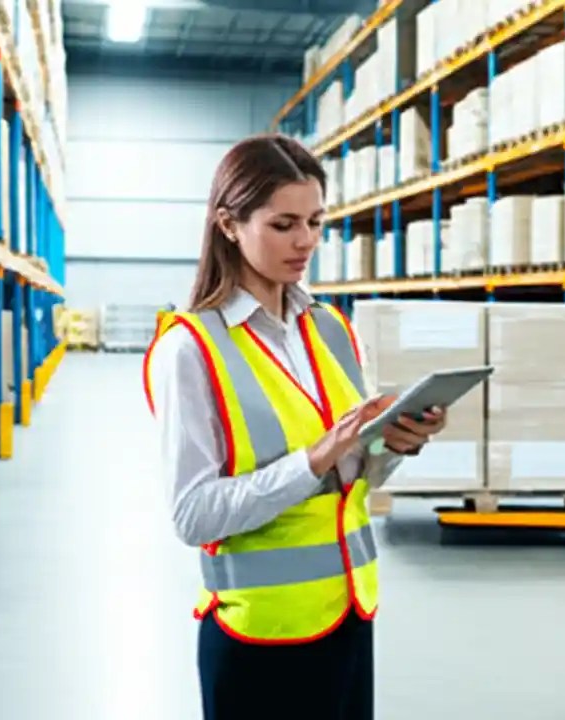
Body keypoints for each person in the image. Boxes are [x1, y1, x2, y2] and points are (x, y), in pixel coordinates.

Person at [142, 133, 448, 720]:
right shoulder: (191, 348)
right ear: (229, 225)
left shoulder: (330, 328)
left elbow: (352, 476)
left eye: (315, 222)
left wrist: (393, 444)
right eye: (283, 225)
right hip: (259, 637)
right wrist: (314, 458)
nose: (305, 241)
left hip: (349, 616)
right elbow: (193, 515)